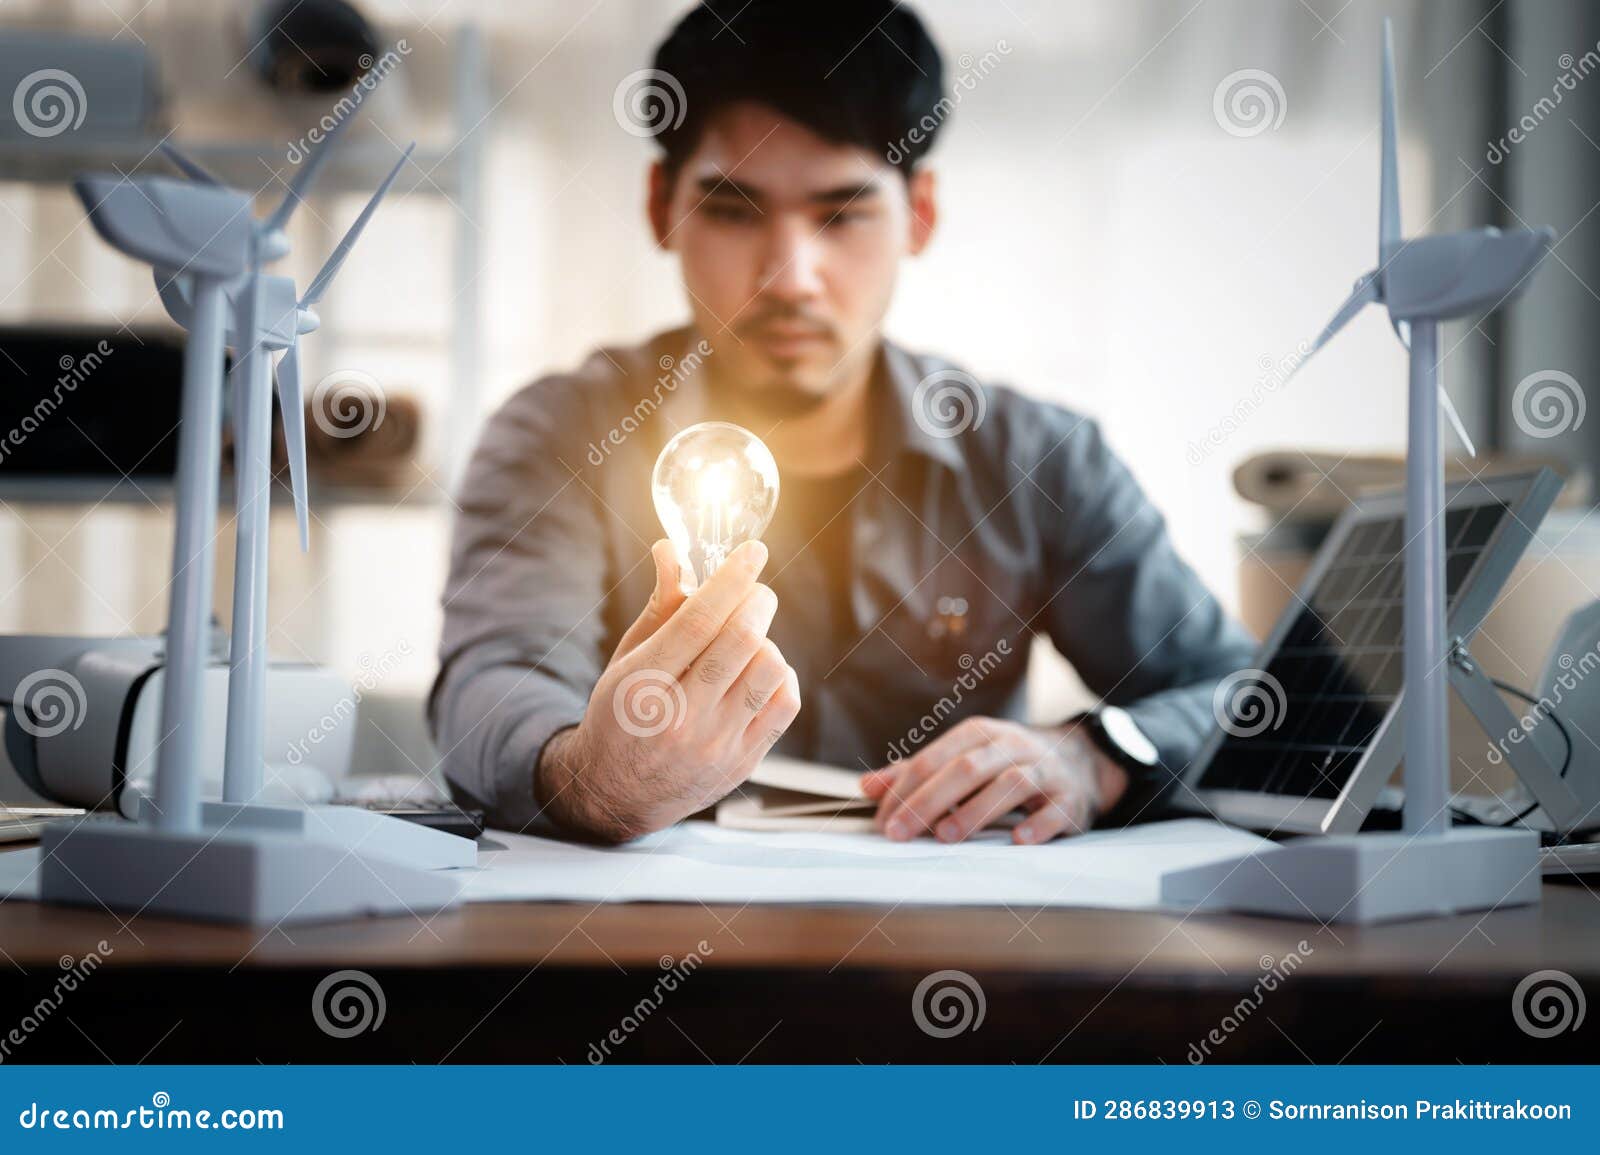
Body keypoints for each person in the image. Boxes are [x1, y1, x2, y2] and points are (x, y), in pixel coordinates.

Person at [428, 0, 1256, 845]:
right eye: (733, 208)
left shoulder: (1038, 459)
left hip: (952, 957)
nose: (790, 277)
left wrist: (1096, 754)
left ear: (920, 214)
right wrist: (592, 777)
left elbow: (1244, 696)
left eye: (841, 213)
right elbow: (497, 680)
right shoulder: (561, 436)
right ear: (660, 207)